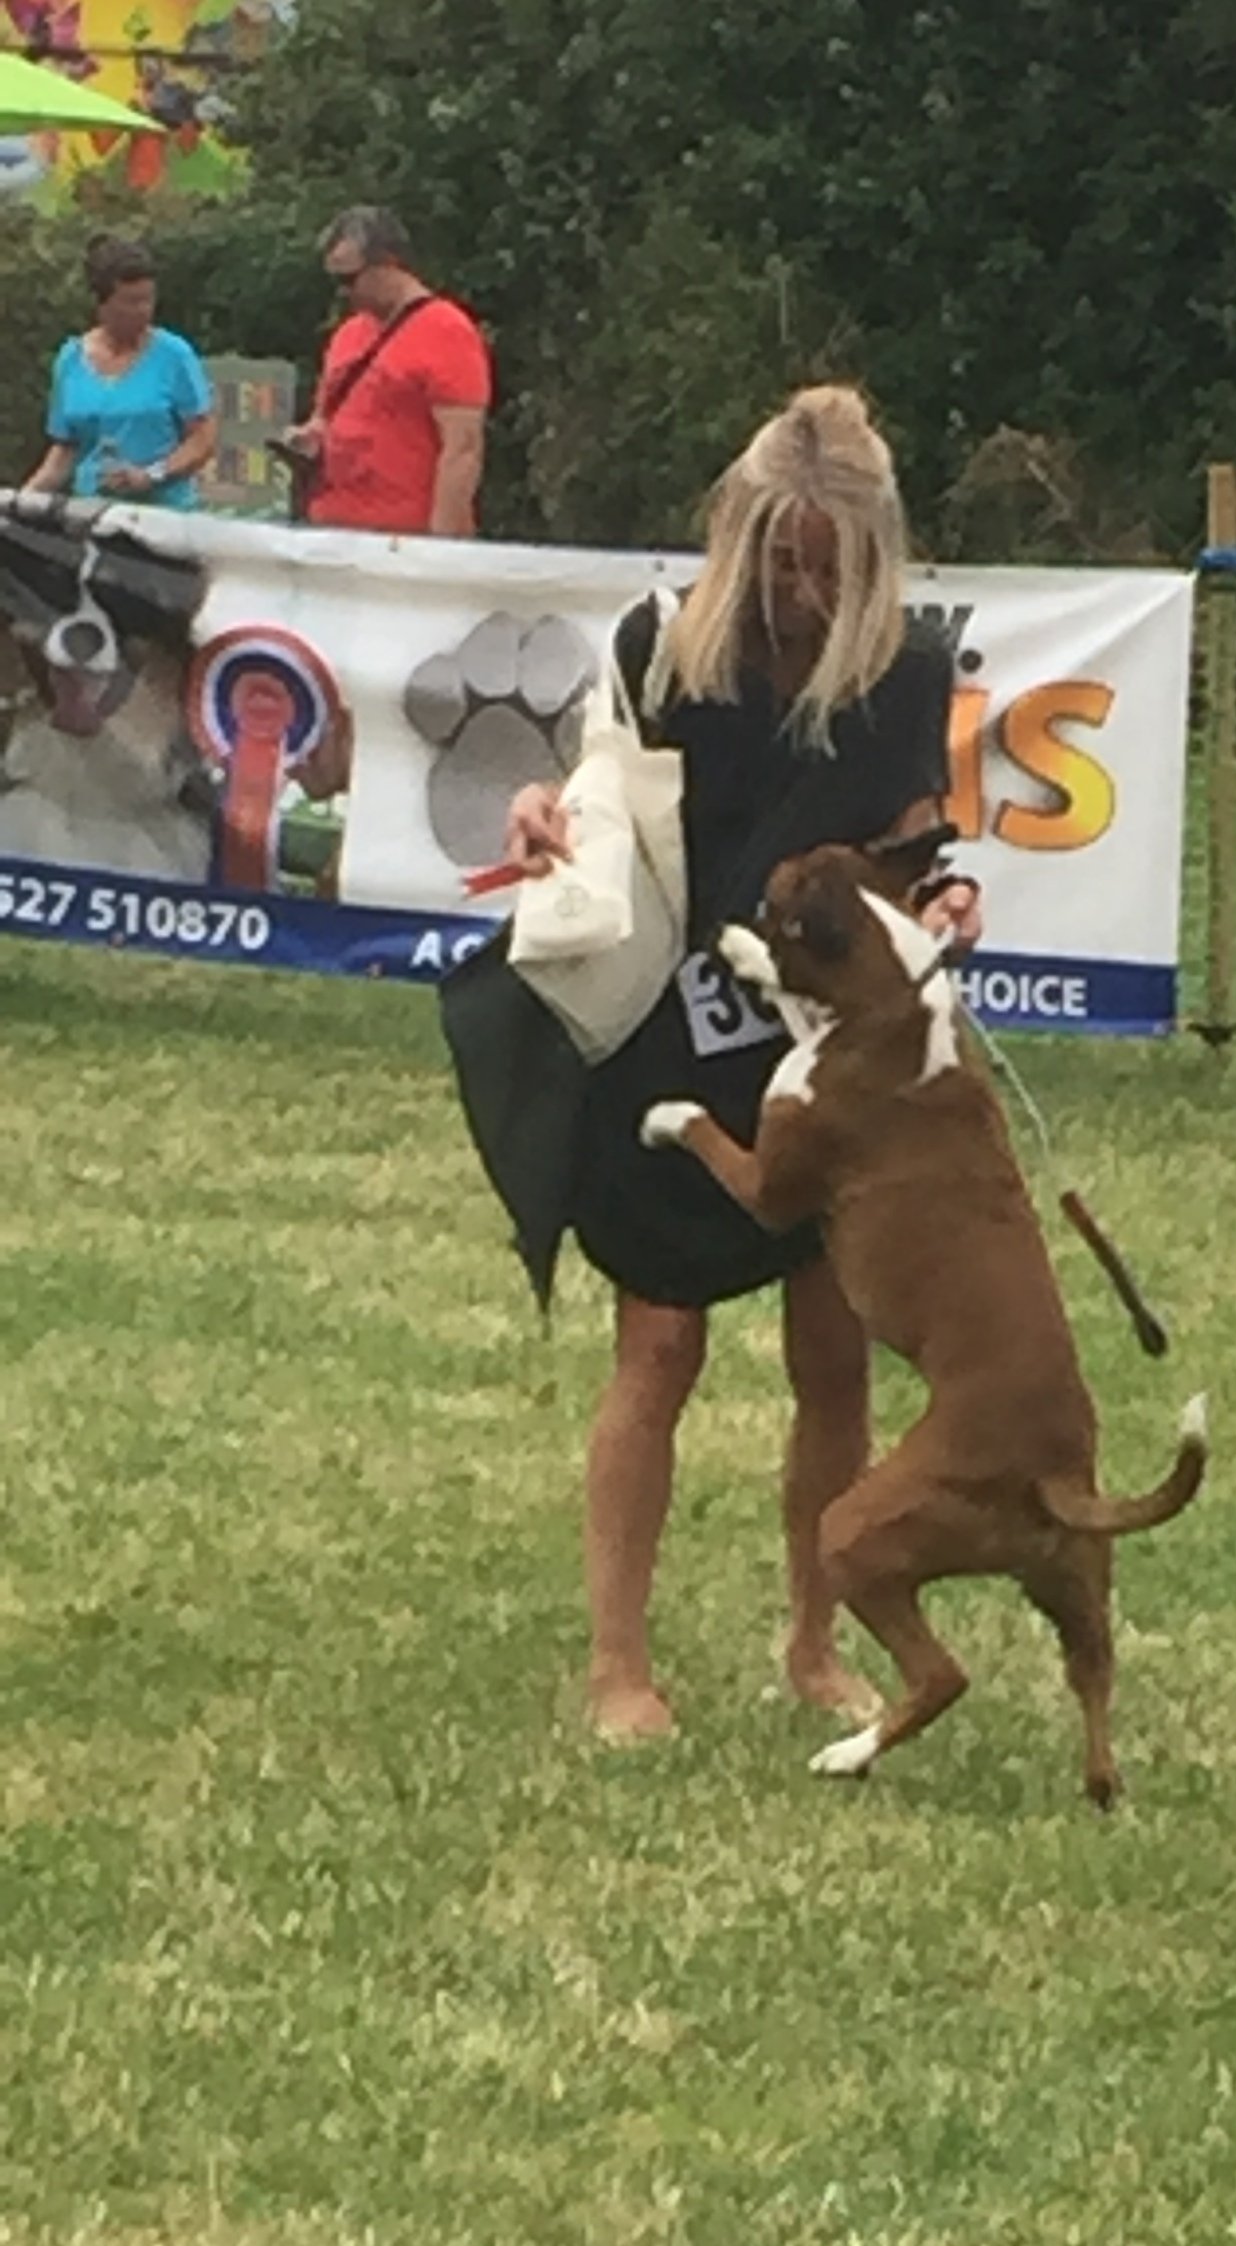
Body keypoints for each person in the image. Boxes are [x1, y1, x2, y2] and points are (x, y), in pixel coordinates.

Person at [440, 385, 982, 1743]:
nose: (803, 590)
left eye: (830, 564)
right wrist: (546, 818)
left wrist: (948, 898)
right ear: (742, 532)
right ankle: (619, 1669)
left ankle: (813, 1643)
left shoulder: (911, 668)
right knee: (660, 1340)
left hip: (820, 1044)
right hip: (671, 1026)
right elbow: (597, 794)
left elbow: (919, 839)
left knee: (833, 1357)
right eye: (784, 557)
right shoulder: (666, 646)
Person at [285, 206, 491, 537]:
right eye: (335, 280)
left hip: (402, 536)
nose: (343, 292)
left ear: (388, 264)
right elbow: (326, 416)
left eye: (349, 279)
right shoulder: (349, 335)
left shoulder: (446, 331)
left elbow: (462, 449)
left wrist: (443, 547)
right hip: (331, 529)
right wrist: (310, 437)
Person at [23, 234, 216, 510]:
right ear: (102, 303)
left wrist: (152, 475)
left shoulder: (175, 355)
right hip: (91, 513)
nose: (143, 311)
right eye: (130, 302)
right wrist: (23, 501)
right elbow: (65, 449)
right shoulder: (71, 360)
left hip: (162, 517)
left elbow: (202, 439)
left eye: (148, 300)